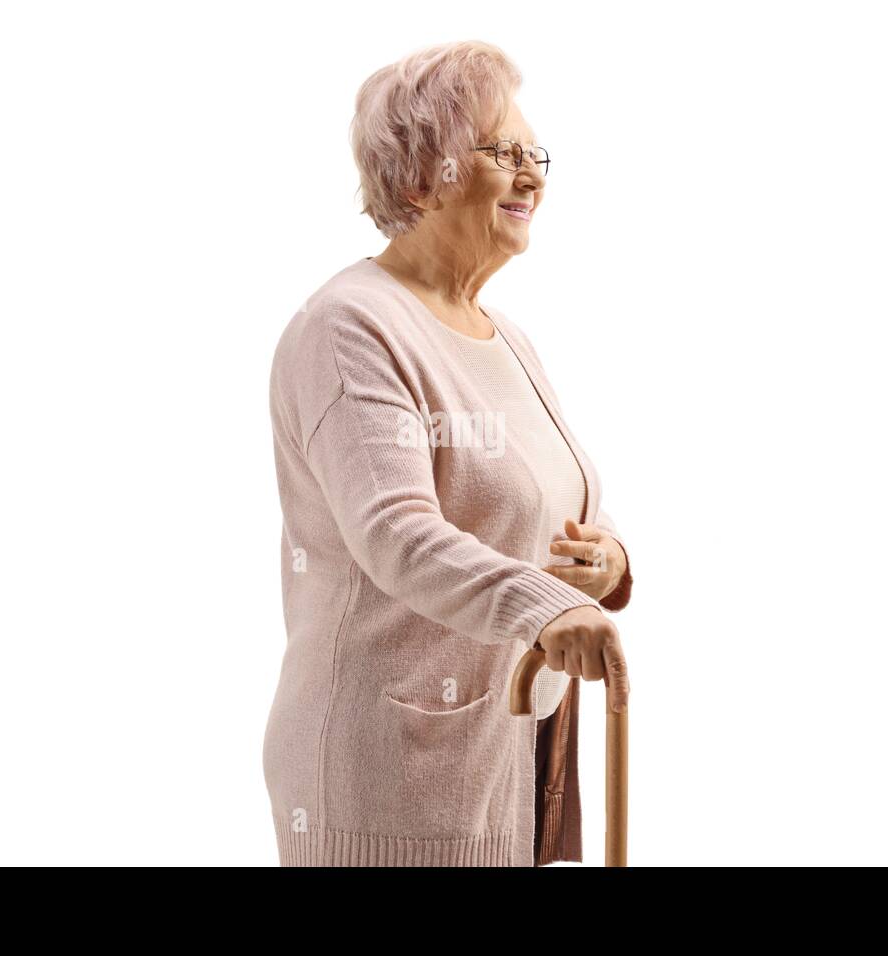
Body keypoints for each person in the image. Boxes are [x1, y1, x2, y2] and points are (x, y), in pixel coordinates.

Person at [263, 39, 633, 867]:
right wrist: (546, 606)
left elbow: (552, 498)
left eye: (537, 153)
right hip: (388, 773)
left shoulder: (508, 338)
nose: (533, 174)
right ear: (423, 174)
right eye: (505, 152)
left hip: (503, 757)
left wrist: (606, 559)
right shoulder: (349, 327)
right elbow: (396, 531)